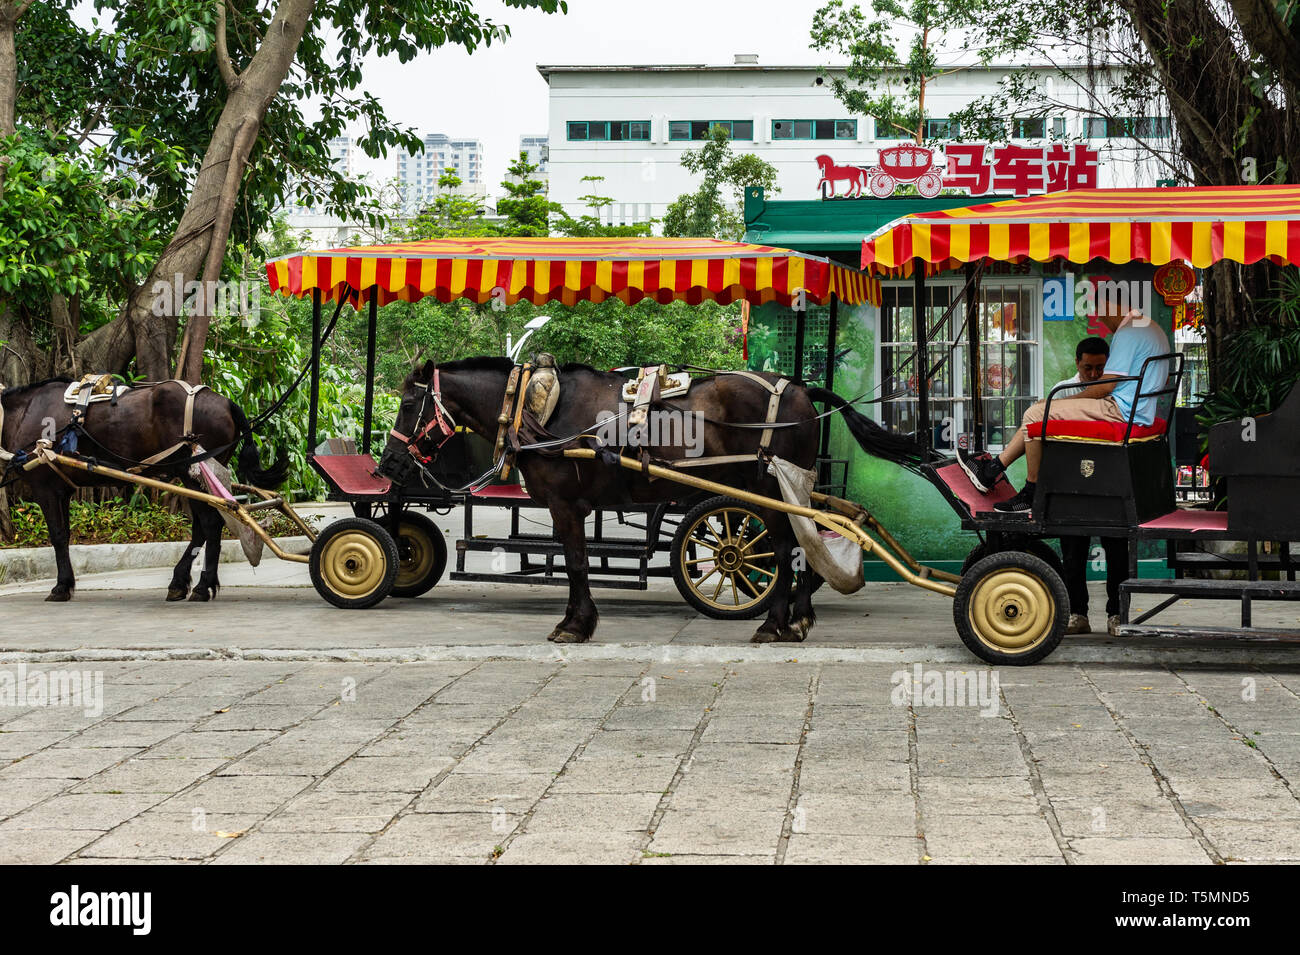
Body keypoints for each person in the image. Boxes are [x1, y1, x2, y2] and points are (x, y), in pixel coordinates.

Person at [957, 305, 1171, 514]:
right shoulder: (1153, 329)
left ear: (1108, 305)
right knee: (1041, 410)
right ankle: (991, 470)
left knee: (1034, 414)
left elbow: (1105, 387)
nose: (1102, 321)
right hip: (1140, 412)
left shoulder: (1128, 332)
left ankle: (1029, 491)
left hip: (1121, 412)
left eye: (1099, 313)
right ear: (1078, 363)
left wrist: (1057, 404)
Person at [1049, 336, 1128, 635]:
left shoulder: (1118, 391)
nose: (1094, 375)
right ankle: (1077, 615)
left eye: (1100, 368)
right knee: (1073, 554)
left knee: (1118, 552)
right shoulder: (1062, 392)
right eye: (1087, 368)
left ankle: (1117, 615)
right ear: (1076, 363)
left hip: (1109, 484)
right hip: (1073, 484)